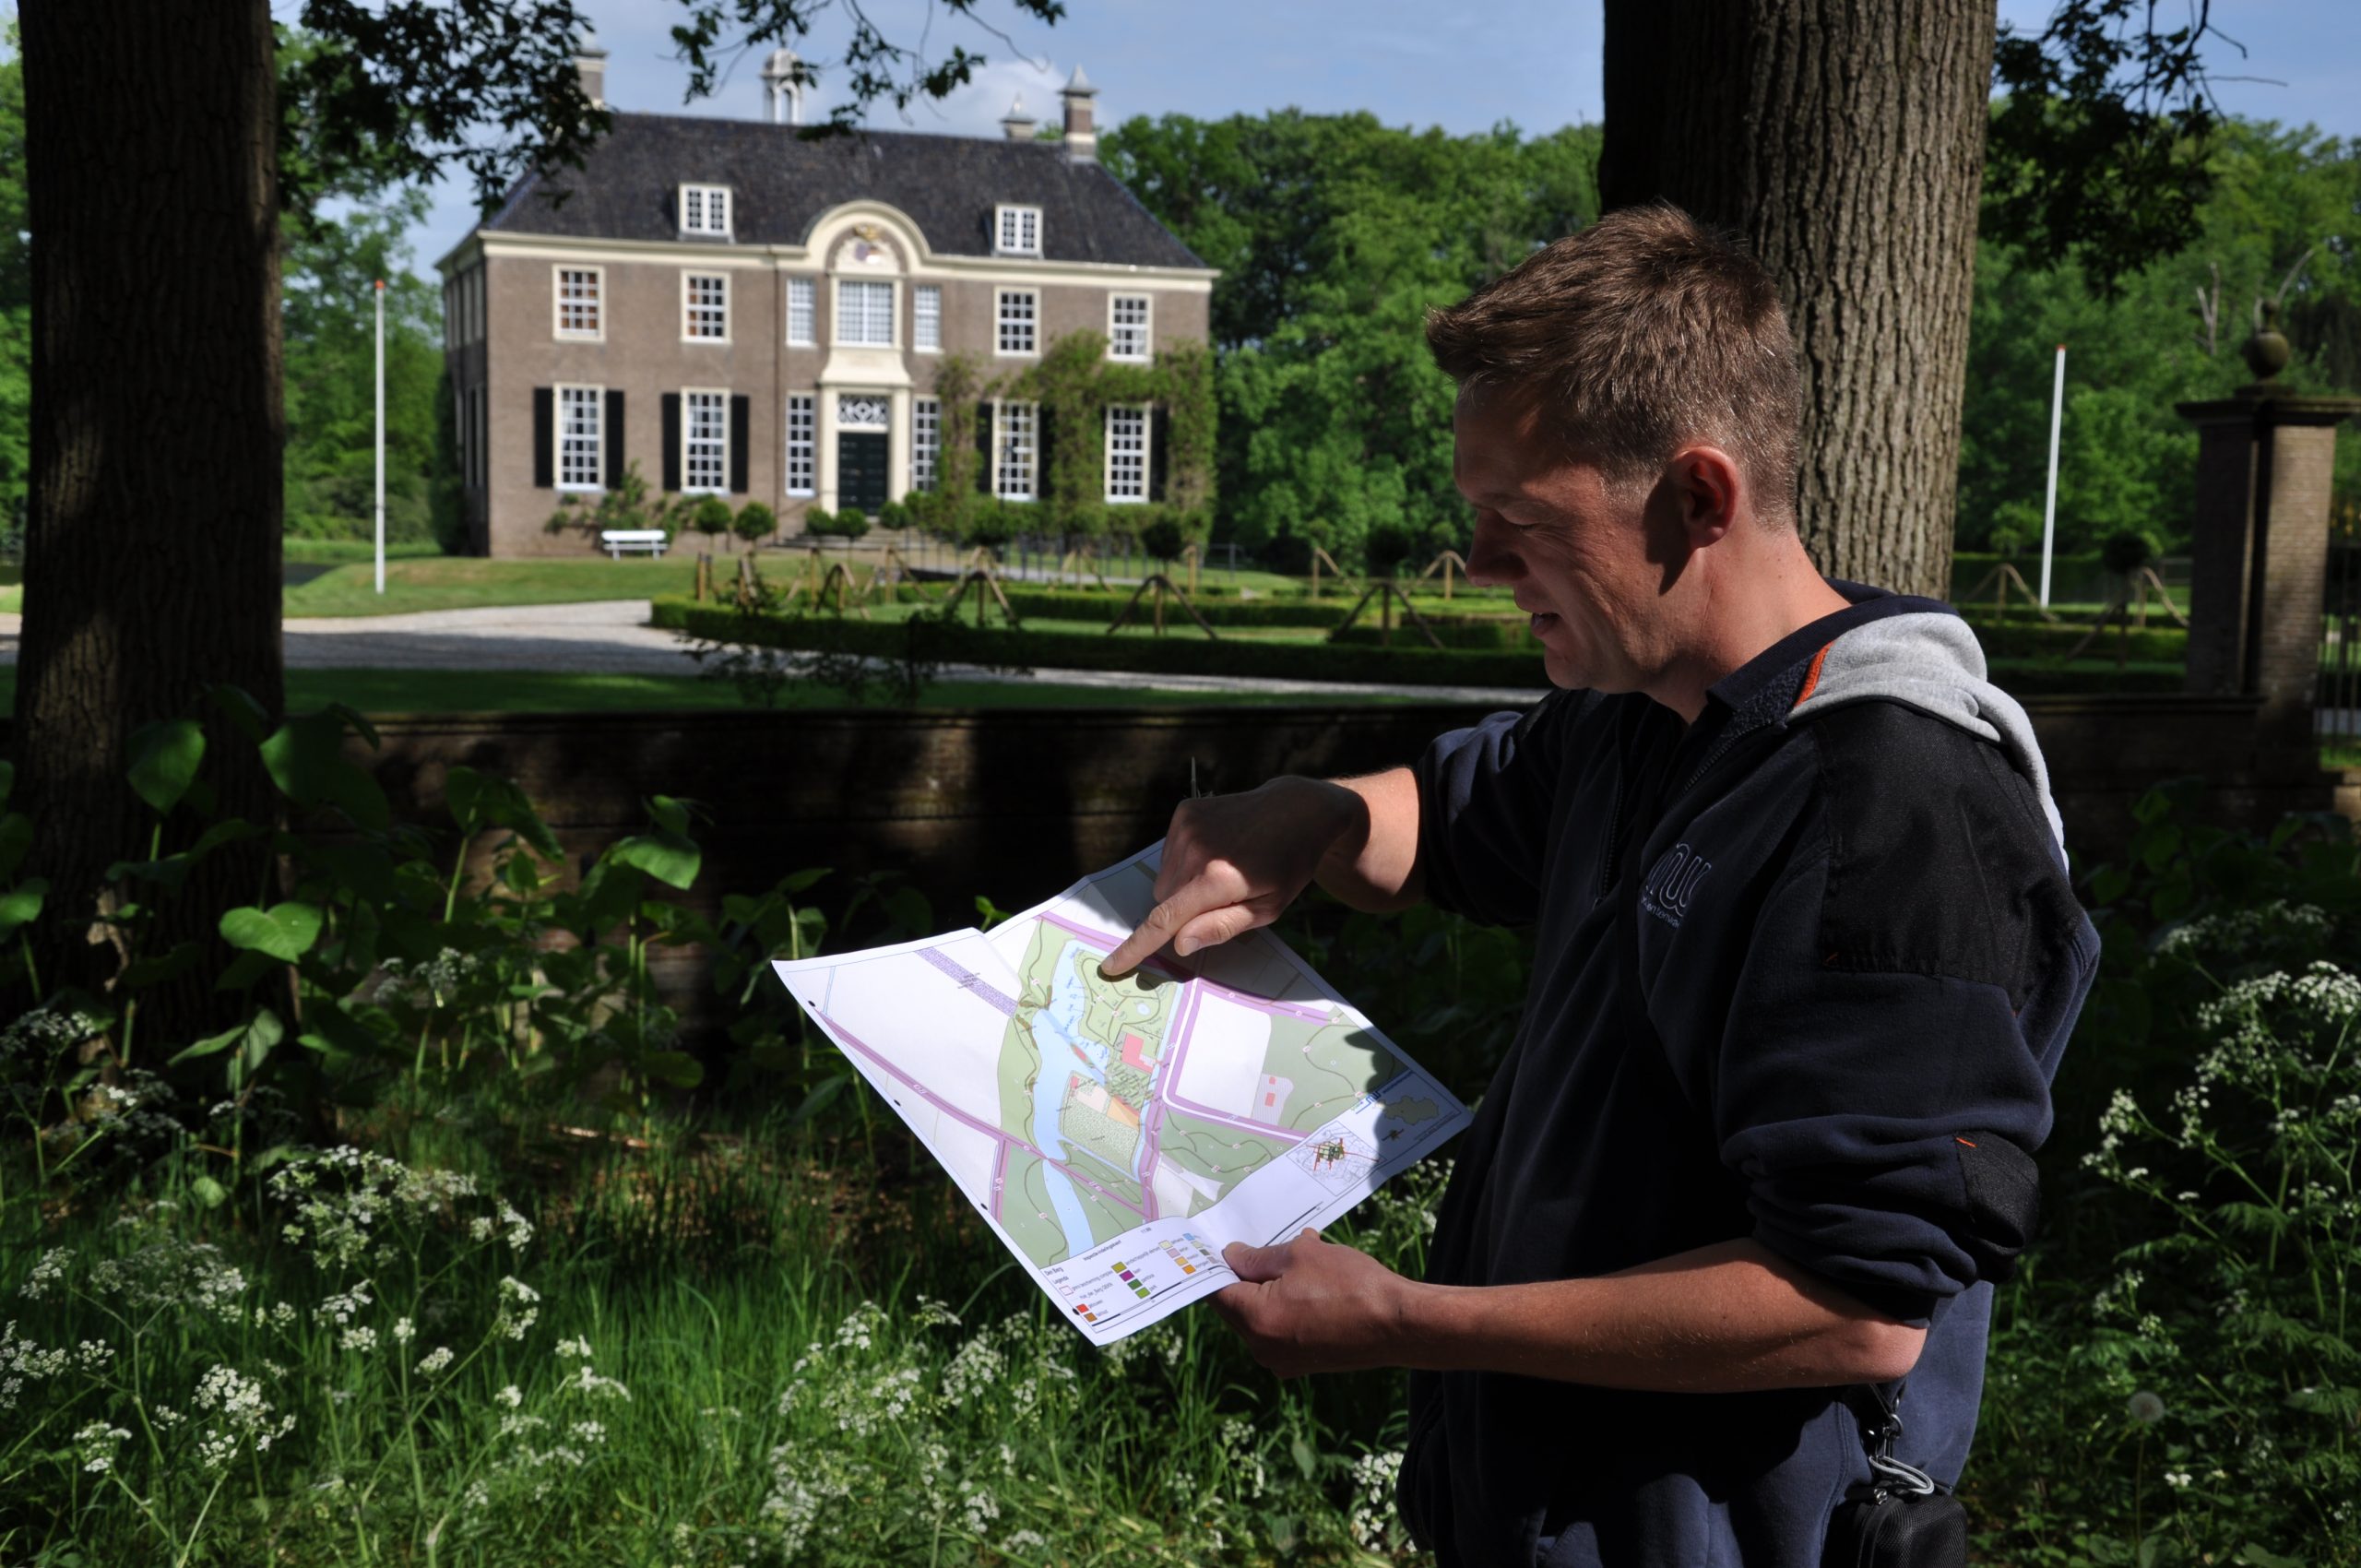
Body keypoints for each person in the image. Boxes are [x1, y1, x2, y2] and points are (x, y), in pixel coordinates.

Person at [1098, 205, 2100, 1568]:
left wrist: (1408, 1323)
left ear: (1699, 499)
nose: (1482, 564)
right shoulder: (1647, 708)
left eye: (1520, 519)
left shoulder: (1890, 810)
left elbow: (1851, 1310)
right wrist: (1308, 814)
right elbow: (1446, 823)